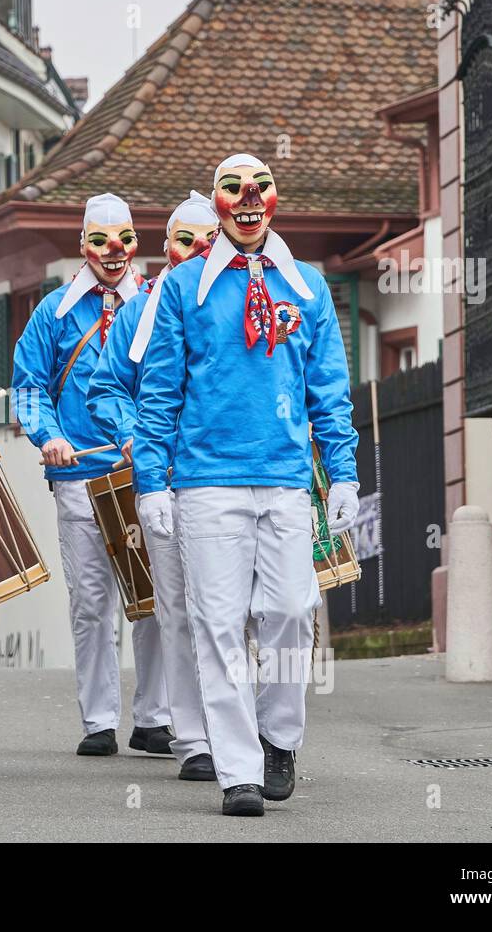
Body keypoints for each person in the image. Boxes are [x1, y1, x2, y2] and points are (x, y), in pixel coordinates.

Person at [132, 154, 359, 816]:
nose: (248, 198)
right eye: (233, 189)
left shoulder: (308, 288)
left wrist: (341, 473)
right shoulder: (181, 290)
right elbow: (160, 391)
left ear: (275, 199)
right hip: (205, 482)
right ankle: (237, 770)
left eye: (258, 187)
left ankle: (278, 736)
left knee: (291, 611)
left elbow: (329, 391)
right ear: (217, 203)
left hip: (286, 480)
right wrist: (152, 481)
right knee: (218, 623)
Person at [11, 192, 170, 758]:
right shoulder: (52, 314)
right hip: (79, 476)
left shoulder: (161, 305)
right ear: (83, 246)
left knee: (155, 596)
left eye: (124, 239)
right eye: (101, 240)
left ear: (137, 243)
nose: (114, 251)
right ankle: (99, 720)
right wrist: (48, 437)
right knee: (92, 600)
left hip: (146, 470)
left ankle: (154, 717)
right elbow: (29, 388)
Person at [86, 191, 218, 782]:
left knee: (243, 612)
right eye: (186, 240)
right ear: (167, 245)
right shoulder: (143, 309)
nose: (198, 251)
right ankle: (194, 740)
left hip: (227, 479)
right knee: (178, 611)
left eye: (209, 240)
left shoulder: (250, 295)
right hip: (164, 481)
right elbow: (107, 387)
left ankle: (252, 732)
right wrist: (135, 436)